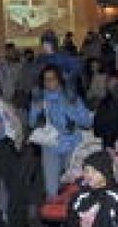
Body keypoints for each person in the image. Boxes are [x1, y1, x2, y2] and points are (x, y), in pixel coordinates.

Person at [29, 66, 92, 199]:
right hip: (50, 145)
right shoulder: (40, 99)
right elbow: (31, 123)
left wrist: (71, 111)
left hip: (73, 144)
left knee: (74, 186)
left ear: (59, 80)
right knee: (51, 189)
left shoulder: (70, 96)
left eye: (52, 78)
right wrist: (37, 111)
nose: (49, 82)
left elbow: (87, 121)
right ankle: (54, 215)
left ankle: (74, 215)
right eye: (46, 79)